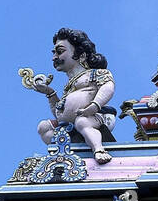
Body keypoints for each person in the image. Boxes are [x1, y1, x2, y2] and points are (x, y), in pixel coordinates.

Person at [28, 28, 116, 165]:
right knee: (44, 127)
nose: (54, 57)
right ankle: (62, 155)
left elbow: (108, 87)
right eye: (53, 53)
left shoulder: (94, 74)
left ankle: (98, 149)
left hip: (95, 117)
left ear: (81, 55)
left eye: (60, 51)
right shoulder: (69, 86)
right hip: (70, 125)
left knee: (82, 122)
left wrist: (94, 106)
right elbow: (60, 112)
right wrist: (49, 92)